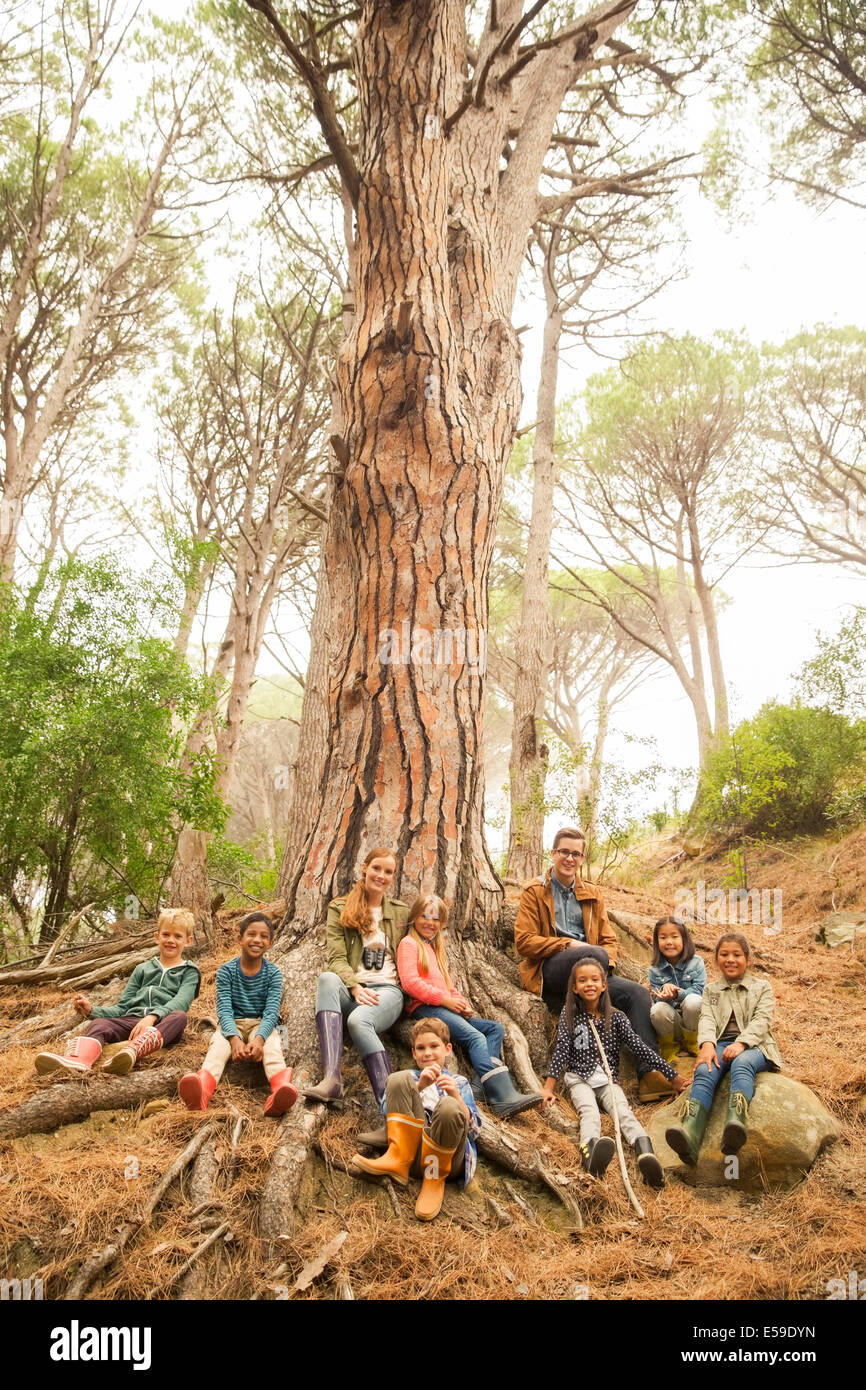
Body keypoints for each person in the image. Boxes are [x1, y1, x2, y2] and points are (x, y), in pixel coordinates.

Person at [514, 826, 675, 1101]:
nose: (569, 858)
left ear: (582, 859)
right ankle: (591, 963)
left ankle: (649, 1076)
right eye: (564, 852)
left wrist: (602, 971)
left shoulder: (592, 893)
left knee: (636, 993)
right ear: (553, 853)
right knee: (595, 954)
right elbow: (525, 941)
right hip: (551, 970)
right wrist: (568, 945)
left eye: (576, 854)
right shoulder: (534, 891)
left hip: (590, 974)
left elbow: (609, 941)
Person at [540, 957, 688, 1186]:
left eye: (594, 980)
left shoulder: (617, 1017)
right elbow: (561, 1050)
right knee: (590, 1112)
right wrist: (549, 1087)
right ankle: (591, 1154)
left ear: (603, 985)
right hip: (579, 1078)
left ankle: (645, 1154)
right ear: (574, 987)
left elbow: (640, 1047)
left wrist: (673, 1076)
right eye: (583, 980)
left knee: (623, 1112)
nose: (589, 984)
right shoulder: (569, 1015)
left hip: (608, 1079)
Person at [396, 894, 542, 1118]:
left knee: (495, 1029)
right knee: (476, 1038)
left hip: (443, 1006)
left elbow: (447, 985)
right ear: (414, 916)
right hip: (424, 1007)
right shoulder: (409, 944)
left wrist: (461, 1003)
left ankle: (478, 1087)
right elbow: (410, 983)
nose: (429, 922)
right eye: (424, 916)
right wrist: (445, 1000)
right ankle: (502, 1096)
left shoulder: (434, 949)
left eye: (435, 919)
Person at [35, 908, 200, 1077]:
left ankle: (131, 1051)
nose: (170, 940)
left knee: (179, 1016)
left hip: (163, 1025)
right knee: (99, 1024)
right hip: (133, 1022)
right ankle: (78, 1061)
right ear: (157, 937)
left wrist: (152, 1017)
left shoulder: (189, 971)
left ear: (188, 941)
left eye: (177, 936)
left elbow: (182, 1001)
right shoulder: (142, 969)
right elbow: (123, 1007)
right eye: (166, 935)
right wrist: (92, 1010)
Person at [665, 931, 781, 1166]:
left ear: (747, 960)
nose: (730, 959)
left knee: (742, 1063)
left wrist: (742, 1043)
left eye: (737, 954)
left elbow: (762, 1021)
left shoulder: (762, 987)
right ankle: (690, 1134)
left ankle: (735, 1124)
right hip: (721, 1043)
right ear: (716, 959)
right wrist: (707, 1044)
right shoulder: (711, 990)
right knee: (705, 1069)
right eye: (724, 954)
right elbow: (706, 1018)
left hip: (755, 1045)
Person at [304, 847, 408, 1108]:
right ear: (365, 868)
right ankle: (332, 1079)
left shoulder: (401, 912)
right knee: (328, 978)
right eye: (376, 868)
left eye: (388, 872)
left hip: (387, 991)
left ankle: (390, 1110)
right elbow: (336, 957)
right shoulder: (340, 908)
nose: (381, 875)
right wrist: (353, 986)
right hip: (353, 989)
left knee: (360, 1021)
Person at [350, 1017, 482, 1221]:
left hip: (445, 1161)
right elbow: (387, 1111)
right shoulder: (411, 1077)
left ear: (447, 1049)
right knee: (397, 1078)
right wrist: (419, 1086)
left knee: (448, 1106)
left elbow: (473, 1133)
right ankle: (397, 1159)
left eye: (434, 1046)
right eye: (421, 1048)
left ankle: (433, 1181)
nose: (427, 1053)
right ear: (414, 1053)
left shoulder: (458, 1082)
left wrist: (455, 1095)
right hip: (412, 1153)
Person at [179, 911, 296, 1117]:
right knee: (217, 1048)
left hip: (261, 1024)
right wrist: (233, 1039)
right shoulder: (226, 971)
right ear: (240, 938)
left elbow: (271, 1012)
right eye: (251, 934)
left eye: (264, 936)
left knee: (273, 1046)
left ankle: (279, 1091)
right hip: (230, 1024)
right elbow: (224, 1009)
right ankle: (202, 1090)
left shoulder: (274, 974)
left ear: (270, 943)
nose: (257, 940)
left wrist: (259, 1039)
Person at [648, 915, 707, 1060]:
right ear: (657, 941)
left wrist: (676, 993)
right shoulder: (654, 970)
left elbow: (699, 991)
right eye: (663, 937)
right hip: (673, 1025)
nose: (669, 942)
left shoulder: (696, 962)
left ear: (684, 939)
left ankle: (693, 1043)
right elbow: (657, 1000)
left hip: (694, 1023)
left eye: (674, 937)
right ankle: (669, 1047)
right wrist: (664, 995)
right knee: (657, 1009)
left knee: (693, 1000)